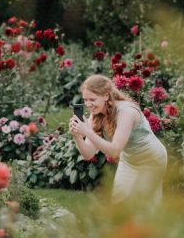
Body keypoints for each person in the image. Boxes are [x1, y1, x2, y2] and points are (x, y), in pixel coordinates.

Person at [69, 74, 167, 205]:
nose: (88, 104)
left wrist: (87, 131)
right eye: (85, 100)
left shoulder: (126, 112)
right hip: (129, 161)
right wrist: (78, 136)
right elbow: (88, 154)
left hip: (151, 159)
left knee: (143, 206)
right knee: (119, 204)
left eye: (92, 99)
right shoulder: (96, 115)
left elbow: (115, 151)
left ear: (106, 95)